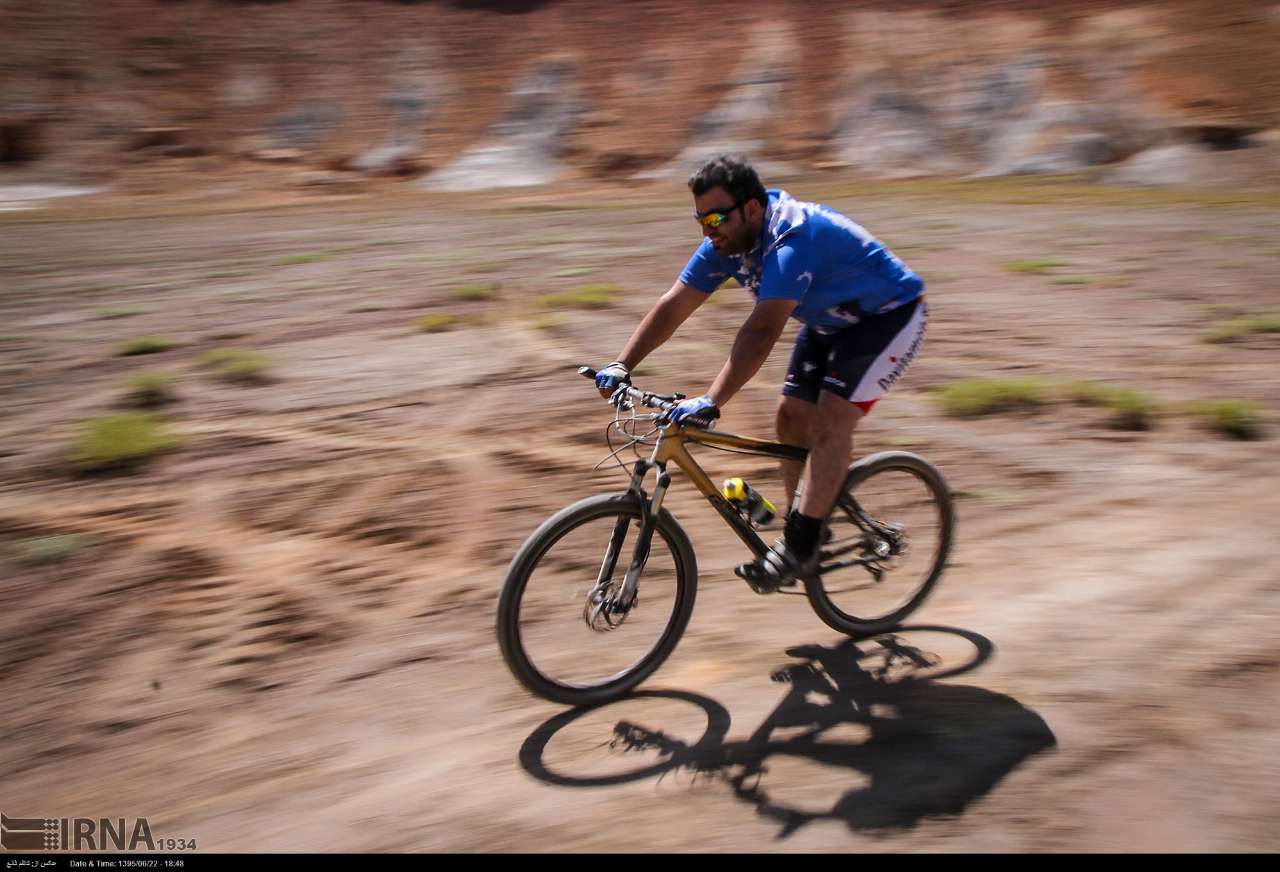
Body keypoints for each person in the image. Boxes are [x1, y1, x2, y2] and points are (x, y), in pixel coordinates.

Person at [596, 154, 927, 592]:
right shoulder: (727, 243)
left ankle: (800, 543)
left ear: (751, 209)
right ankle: (806, 525)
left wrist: (712, 401)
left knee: (831, 422)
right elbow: (674, 304)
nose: (707, 230)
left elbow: (763, 329)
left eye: (715, 217)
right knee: (790, 418)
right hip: (832, 323)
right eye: (700, 220)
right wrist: (623, 363)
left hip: (888, 319)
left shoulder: (792, 237)